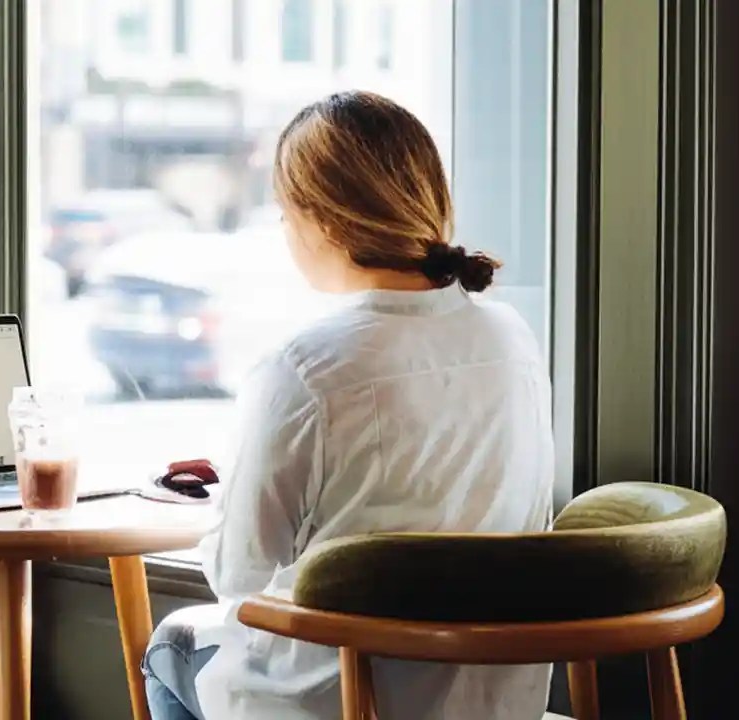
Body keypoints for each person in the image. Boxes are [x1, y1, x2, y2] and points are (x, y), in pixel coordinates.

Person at [141, 91, 555, 719]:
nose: (284, 230)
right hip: (490, 700)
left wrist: (238, 492)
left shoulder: (306, 368)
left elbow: (239, 575)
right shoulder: (513, 340)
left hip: (343, 696)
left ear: (324, 222)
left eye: (285, 211)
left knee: (170, 644)